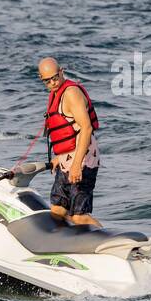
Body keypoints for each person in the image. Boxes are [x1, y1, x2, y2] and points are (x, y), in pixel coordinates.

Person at [38, 56, 101, 227]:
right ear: (41, 79)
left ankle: (113, 246)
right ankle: (68, 246)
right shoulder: (55, 93)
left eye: (55, 77)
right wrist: (60, 157)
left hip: (83, 158)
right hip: (67, 157)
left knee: (79, 217)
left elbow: (86, 128)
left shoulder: (71, 93)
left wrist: (76, 165)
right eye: (47, 81)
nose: (52, 83)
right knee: (58, 211)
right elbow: (67, 130)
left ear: (61, 72)